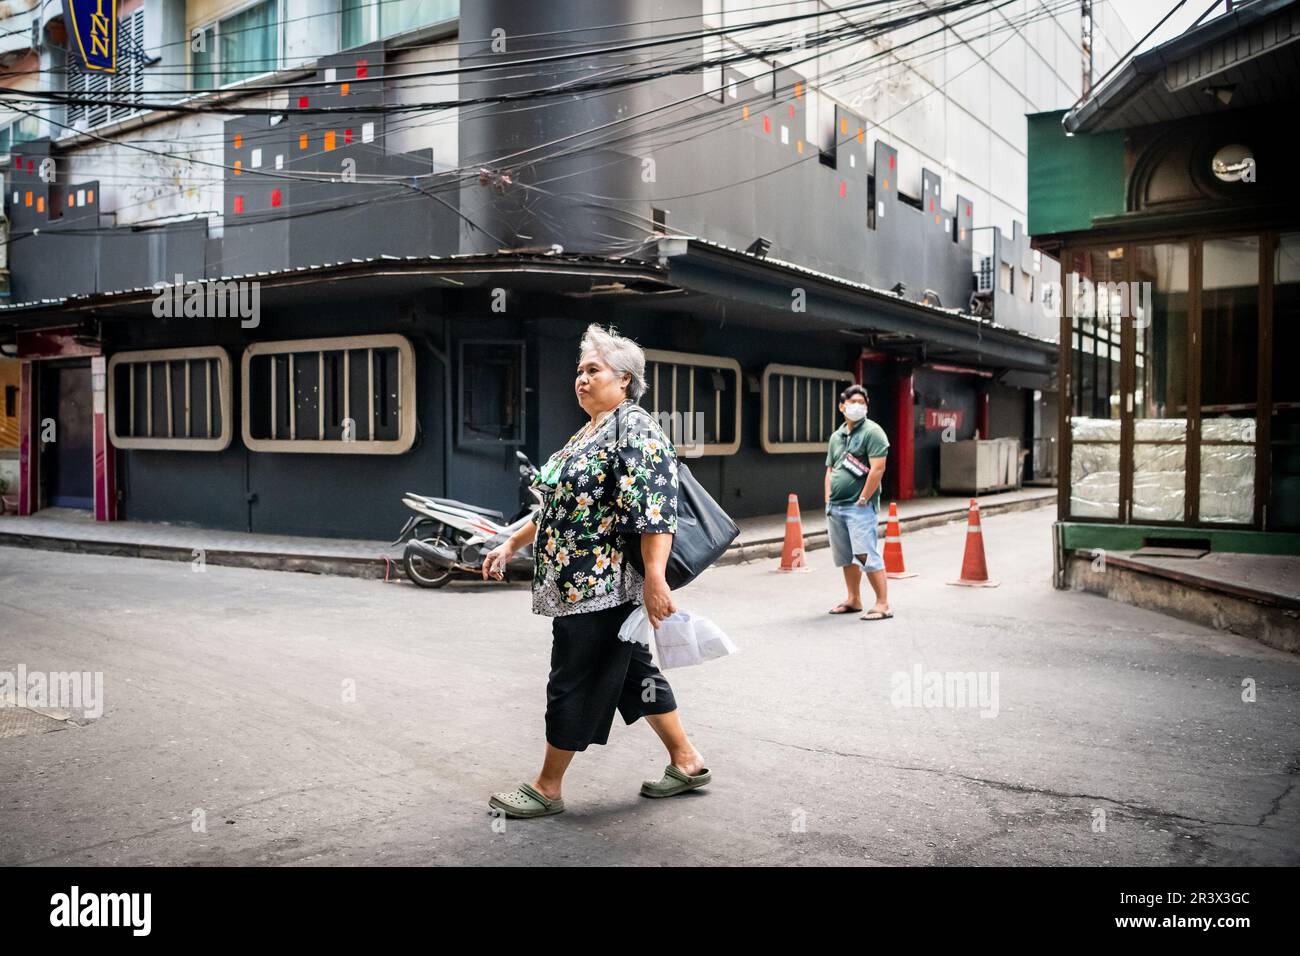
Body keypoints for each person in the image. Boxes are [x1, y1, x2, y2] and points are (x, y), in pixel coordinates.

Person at [479, 323, 711, 818]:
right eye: (579, 371)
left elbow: (654, 509)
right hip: (576, 580)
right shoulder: (589, 432)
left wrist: (655, 579)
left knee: (572, 677)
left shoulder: (636, 428)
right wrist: (510, 544)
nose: (581, 379)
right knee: (633, 673)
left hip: (600, 586)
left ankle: (548, 786)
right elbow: (557, 506)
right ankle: (687, 761)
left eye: (593, 370)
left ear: (624, 379)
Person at [824, 384, 892, 621]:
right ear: (842, 406)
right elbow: (830, 470)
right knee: (846, 556)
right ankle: (854, 599)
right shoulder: (837, 436)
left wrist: (863, 498)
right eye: (852, 402)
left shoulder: (873, 432)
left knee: (865, 554)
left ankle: (882, 604)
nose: (857, 406)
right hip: (837, 506)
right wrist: (828, 502)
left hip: (859, 507)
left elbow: (878, 468)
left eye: (861, 403)